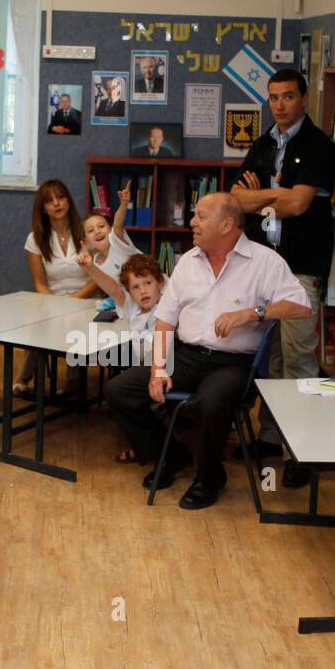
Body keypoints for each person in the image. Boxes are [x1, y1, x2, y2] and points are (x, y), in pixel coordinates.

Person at [105, 193, 310, 510]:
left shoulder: (265, 261)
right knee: (120, 389)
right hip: (185, 356)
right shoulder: (188, 262)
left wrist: (251, 313)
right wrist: (159, 369)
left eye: (200, 216)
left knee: (209, 404)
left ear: (227, 224)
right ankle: (171, 456)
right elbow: (165, 322)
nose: (192, 222)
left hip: (233, 364)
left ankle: (210, 477)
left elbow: (302, 306)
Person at [230, 69, 335, 489]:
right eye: (273, 97)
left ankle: (301, 451)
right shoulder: (260, 145)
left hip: (300, 267)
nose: (279, 105)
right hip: (263, 265)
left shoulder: (320, 147)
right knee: (270, 356)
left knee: (298, 359)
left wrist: (268, 194)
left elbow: (297, 206)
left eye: (288, 97)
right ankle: (270, 438)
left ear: (305, 99)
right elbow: (237, 201)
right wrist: (278, 192)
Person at [77, 250, 165, 464]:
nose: (143, 291)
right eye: (135, 287)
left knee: (120, 391)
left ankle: (155, 448)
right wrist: (90, 267)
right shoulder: (133, 305)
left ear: (160, 283)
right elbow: (112, 287)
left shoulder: (167, 306)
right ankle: (145, 446)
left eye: (148, 283)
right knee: (117, 389)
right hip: (140, 367)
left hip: (161, 368)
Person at [14, 180, 99, 397]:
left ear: (68, 200)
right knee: (39, 320)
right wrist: (56, 304)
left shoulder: (87, 231)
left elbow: (98, 278)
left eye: (60, 197)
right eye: (49, 201)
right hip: (53, 298)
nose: (56, 203)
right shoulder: (34, 239)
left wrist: (73, 301)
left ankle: (74, 380)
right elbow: (39, 283)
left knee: (76, 320)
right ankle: (24, 377)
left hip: (88, 298)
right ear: (43, 208)